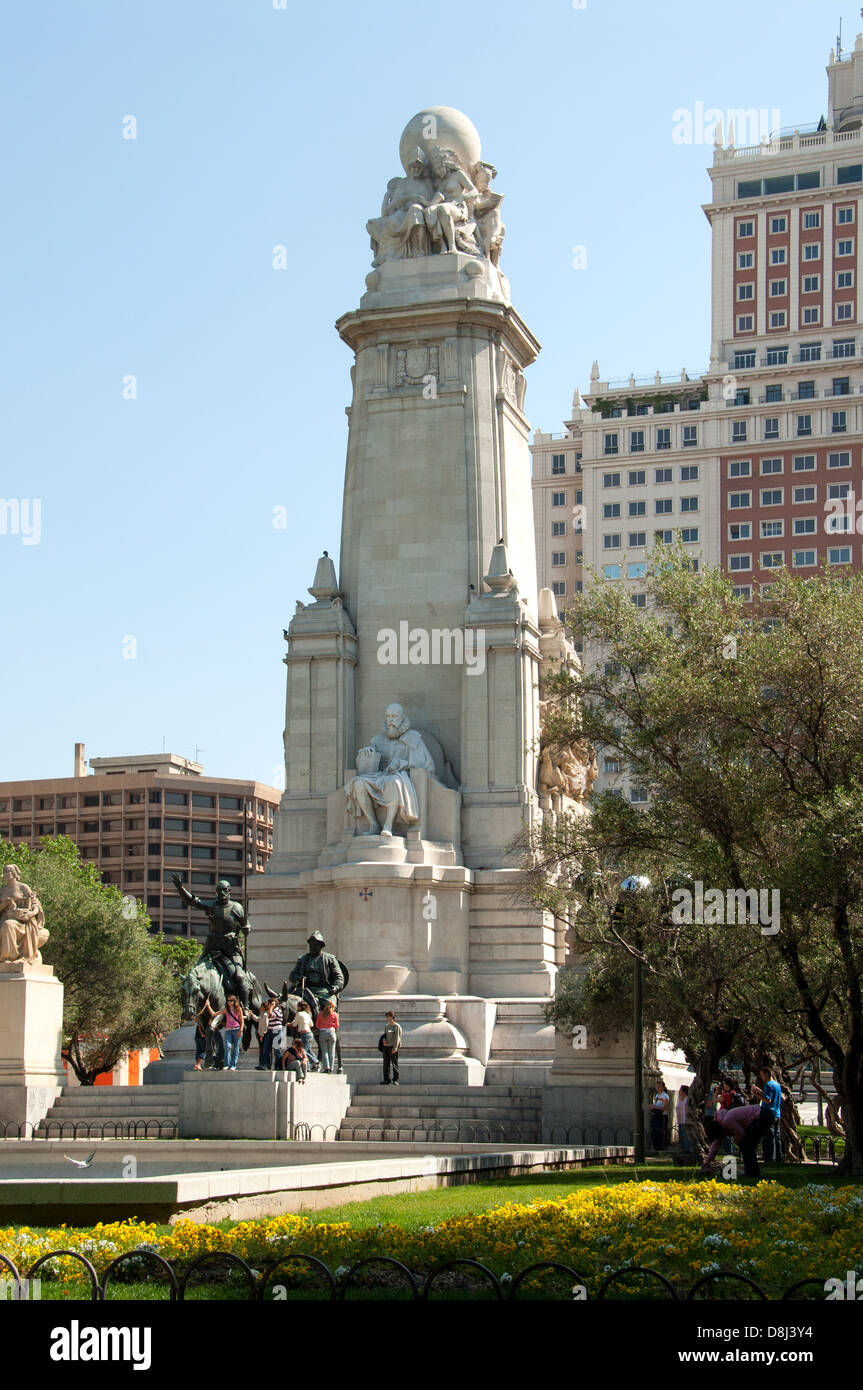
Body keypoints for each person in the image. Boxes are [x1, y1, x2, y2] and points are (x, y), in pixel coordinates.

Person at [702, 1101, 774, 1179]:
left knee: (747, 1145)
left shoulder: (727, 1121)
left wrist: (736, 1140)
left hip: (763, 1115)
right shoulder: (721, 1123)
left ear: (719, 1132)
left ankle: (752, 1173)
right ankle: (752, 1171)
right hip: (763, 1114)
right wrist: (708, 1161)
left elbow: (741, 1133)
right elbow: (716, 1144)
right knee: (748, 1145)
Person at [752, 1065, 783, 1163]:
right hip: (777, 1113)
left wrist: (756, 1094)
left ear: (766, 1074)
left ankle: (770, 1158)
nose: (761, 1077)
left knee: (769, 1136)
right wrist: (761, 1091)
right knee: (776, 1136)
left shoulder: (768, 1085)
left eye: (762, 1075)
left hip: (768, 1113)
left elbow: (768, 1099)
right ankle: (779, 1156)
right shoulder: (777, 1085)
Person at [210, 994, 245, 1071]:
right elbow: (214, 1014)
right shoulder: (227, 1009)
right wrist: (208, 1005)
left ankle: (233, 1065)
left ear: (234, 1001)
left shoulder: (238, 1009)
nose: (229, 1002)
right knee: (228, 1046)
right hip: (229, 1030)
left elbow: (242, 1020)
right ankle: (226, 1064)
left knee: (236, 1048)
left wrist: (241, 1030)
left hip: (237, 1029)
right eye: (228, 1001)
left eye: (231, 1001)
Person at [292, 1000, 319, 1071]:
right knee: (309, 1050)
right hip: (310, 1034)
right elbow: (311, 1024)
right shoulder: (307, 1014)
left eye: (297, 1006)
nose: (297, 1008)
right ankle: (309, 1066)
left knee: (303, 1051)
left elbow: (294, 1024)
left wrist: (290, 1023)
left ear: (300, 1007)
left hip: (304, 1034)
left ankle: (315, 1061)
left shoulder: (299, 1014)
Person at [316, 998, 339, 1073]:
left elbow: (317, 1025)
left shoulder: (320, 1014)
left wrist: (322, 1027)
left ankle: (327, 1068)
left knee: (324, 1051)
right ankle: (331, 1068)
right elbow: (337, 1025)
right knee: (332, 1052)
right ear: (332, 1007)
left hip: (322, 1032)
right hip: (331, 1032)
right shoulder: (335, 1015)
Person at [381, 1010, 402, 1086]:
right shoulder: (386, 1026)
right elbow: (385, 1035)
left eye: (388, 1016)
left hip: (393, 1047)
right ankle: (386, 1079)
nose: (387, 1018)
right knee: (386, 1064)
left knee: (394, 1064)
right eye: (386, 1017)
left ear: (392, 1017)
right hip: (386, 1047)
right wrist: (383, 1040)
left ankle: (395, 1080)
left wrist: (395, 1047)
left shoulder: (396, 1026)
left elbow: (397, 1038)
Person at [650, 1079, 670, 1150]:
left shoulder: (665, 1096)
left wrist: (656, 1107)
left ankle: (663, 1147)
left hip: (662, 1116)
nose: (658, 1088)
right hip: (656, 1115)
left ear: (663, 1087)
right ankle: (656, 1146)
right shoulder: (657, 1095)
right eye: (657, 1087)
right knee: (656, 1131)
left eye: (659, 1087)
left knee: (662, 1132)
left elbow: (665, 1107)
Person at [676, 1085, 691, 1152]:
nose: (679, 1092)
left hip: (685, 1120)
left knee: (685, 1136)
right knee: (681, 1135)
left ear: (684, 1092)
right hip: (680, 1120)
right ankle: (682, 1149)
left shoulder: (687, 1100)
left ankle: (687, 1149)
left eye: (681, 1091)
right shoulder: (680, 1100)